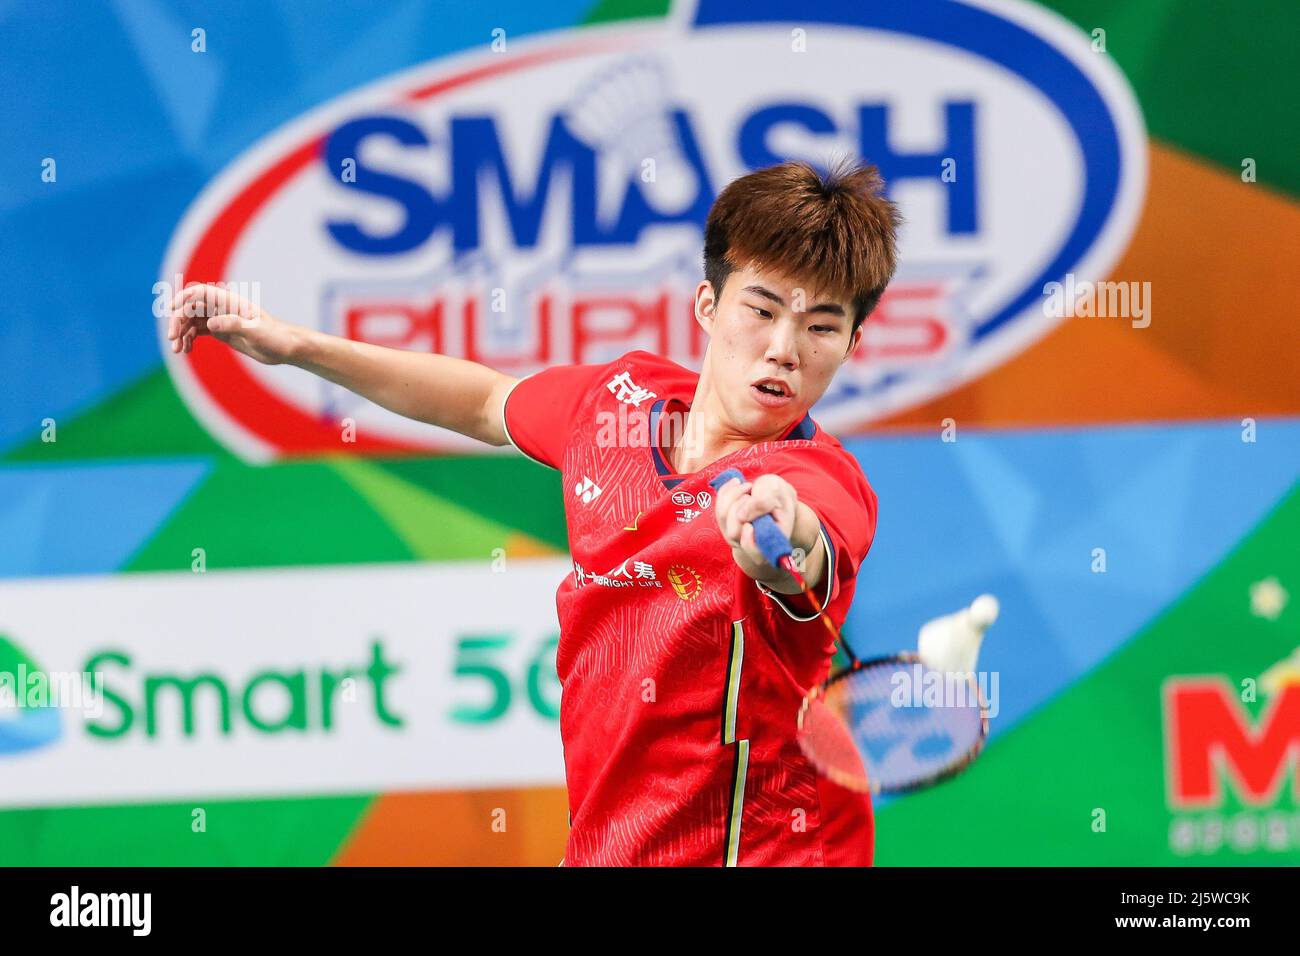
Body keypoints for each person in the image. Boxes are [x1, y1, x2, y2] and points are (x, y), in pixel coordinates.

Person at [168, 157, 899, 866]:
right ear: (709, 306)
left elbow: (811, 544)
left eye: (821, 328)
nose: (783, 349)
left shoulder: (820, 480)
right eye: (762, 309)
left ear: (851, 344)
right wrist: (298, 346)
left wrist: (782, 529)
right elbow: (486, 401)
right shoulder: (620, 402)